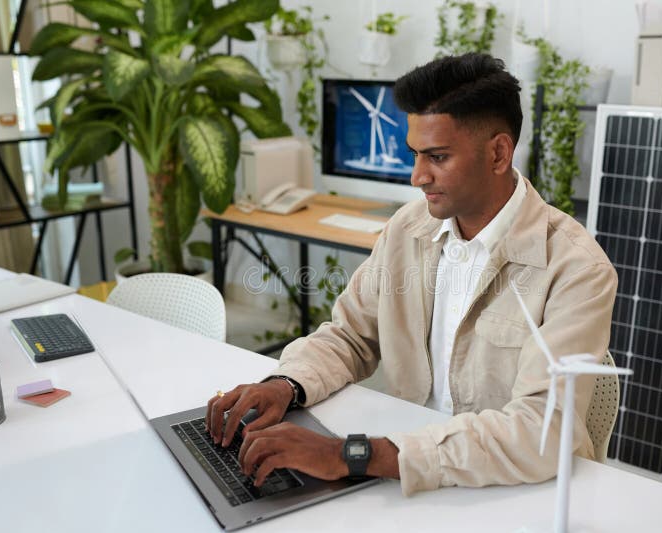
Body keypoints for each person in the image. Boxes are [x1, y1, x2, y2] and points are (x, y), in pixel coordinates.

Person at [205, 53, 617, 496]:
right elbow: (350, 335)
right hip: (408, 474)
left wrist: (352, 455)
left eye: (438, 157)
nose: (417, 176)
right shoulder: (408, 227)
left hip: (512, 493)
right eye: (415, 155)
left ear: (498, 153)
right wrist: (287, 384)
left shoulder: (577, 269)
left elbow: (540, 431)